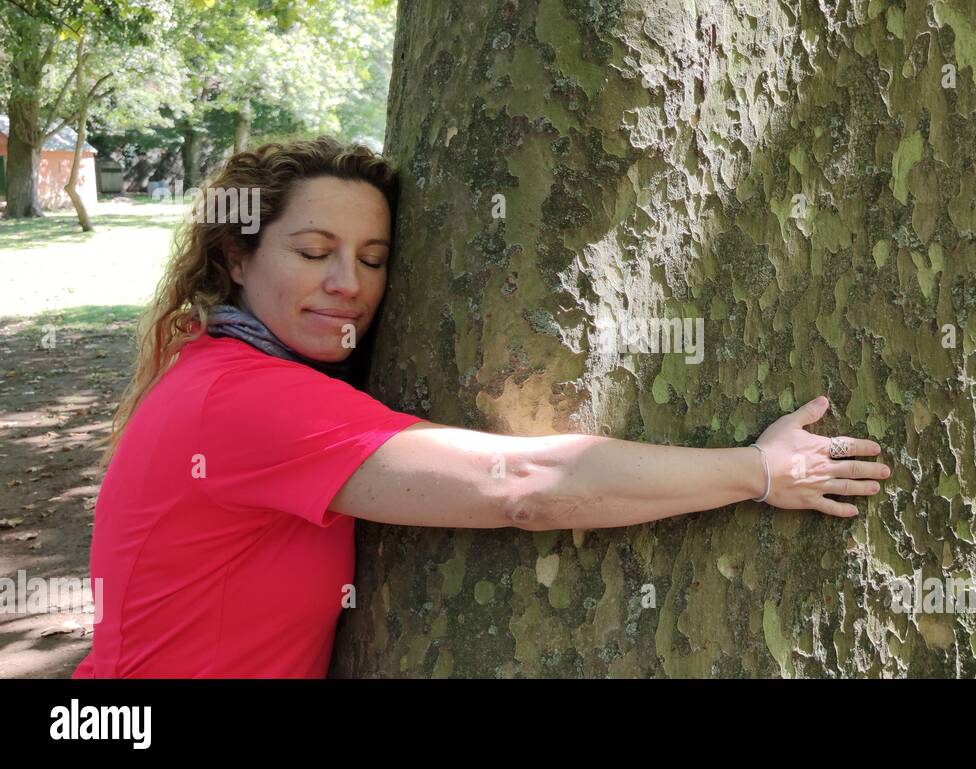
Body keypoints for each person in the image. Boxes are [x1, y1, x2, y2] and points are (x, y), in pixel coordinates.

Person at [73, 137, 891, 678]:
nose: (348, 284)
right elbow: (526, 485)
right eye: (314, 252)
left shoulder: (213, 366)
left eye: (373, 258)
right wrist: (759, 470)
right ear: (236, 254)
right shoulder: (243, 398)